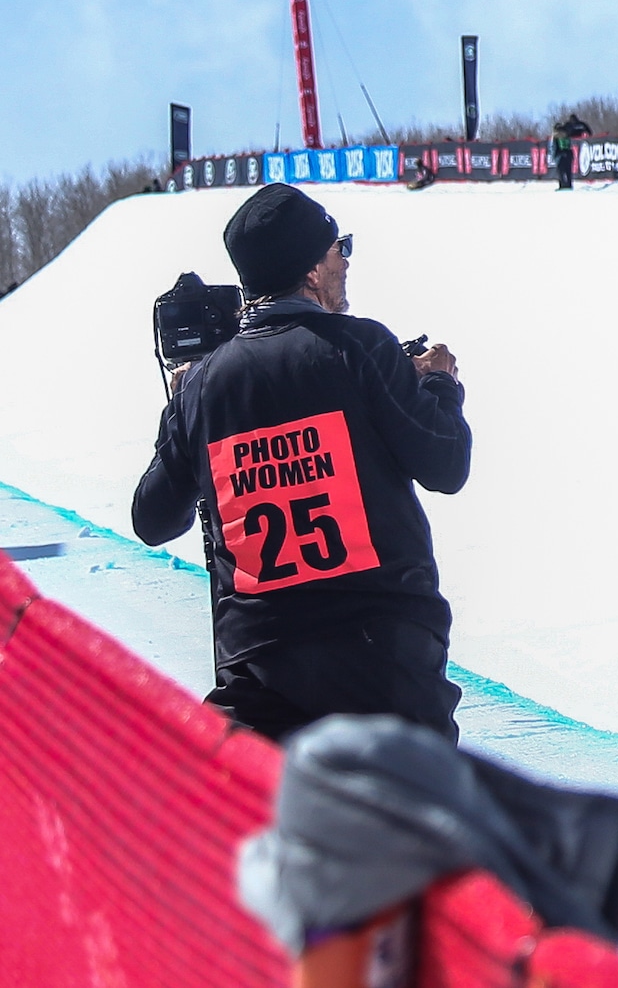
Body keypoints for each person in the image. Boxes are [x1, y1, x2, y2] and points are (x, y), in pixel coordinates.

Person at [131, 183, 472, 743]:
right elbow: (446, 463)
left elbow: (153, 519)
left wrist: (185, 414)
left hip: (261, 679)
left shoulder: (204, 386)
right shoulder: (360, 347)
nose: (345, 262)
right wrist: (438, 384)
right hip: (387, 667)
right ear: (313, 270)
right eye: (341, 249)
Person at [550, 113, 591, 191]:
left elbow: (553, 147)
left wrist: (554, 156)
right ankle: (569, 184)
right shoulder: (567, 134)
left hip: (560, 155)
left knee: (561, 171)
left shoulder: (556, 136)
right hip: (568, 153)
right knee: (568, 171)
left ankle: (563, 185)